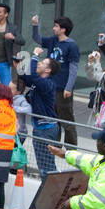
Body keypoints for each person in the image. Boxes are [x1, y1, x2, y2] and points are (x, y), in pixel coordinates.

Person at [32, 14, 80, 143]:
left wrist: (68, 87)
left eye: (56, 26)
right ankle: (55, 143)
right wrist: (35, 25)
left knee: (66, 118)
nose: (54, 28)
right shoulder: (53, 40)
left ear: (63, 29)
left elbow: (74, 68)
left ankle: (71, 147)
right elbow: (37, 39)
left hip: (62, 87)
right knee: (53, 116)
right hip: (50, 85)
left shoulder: (71, 45)